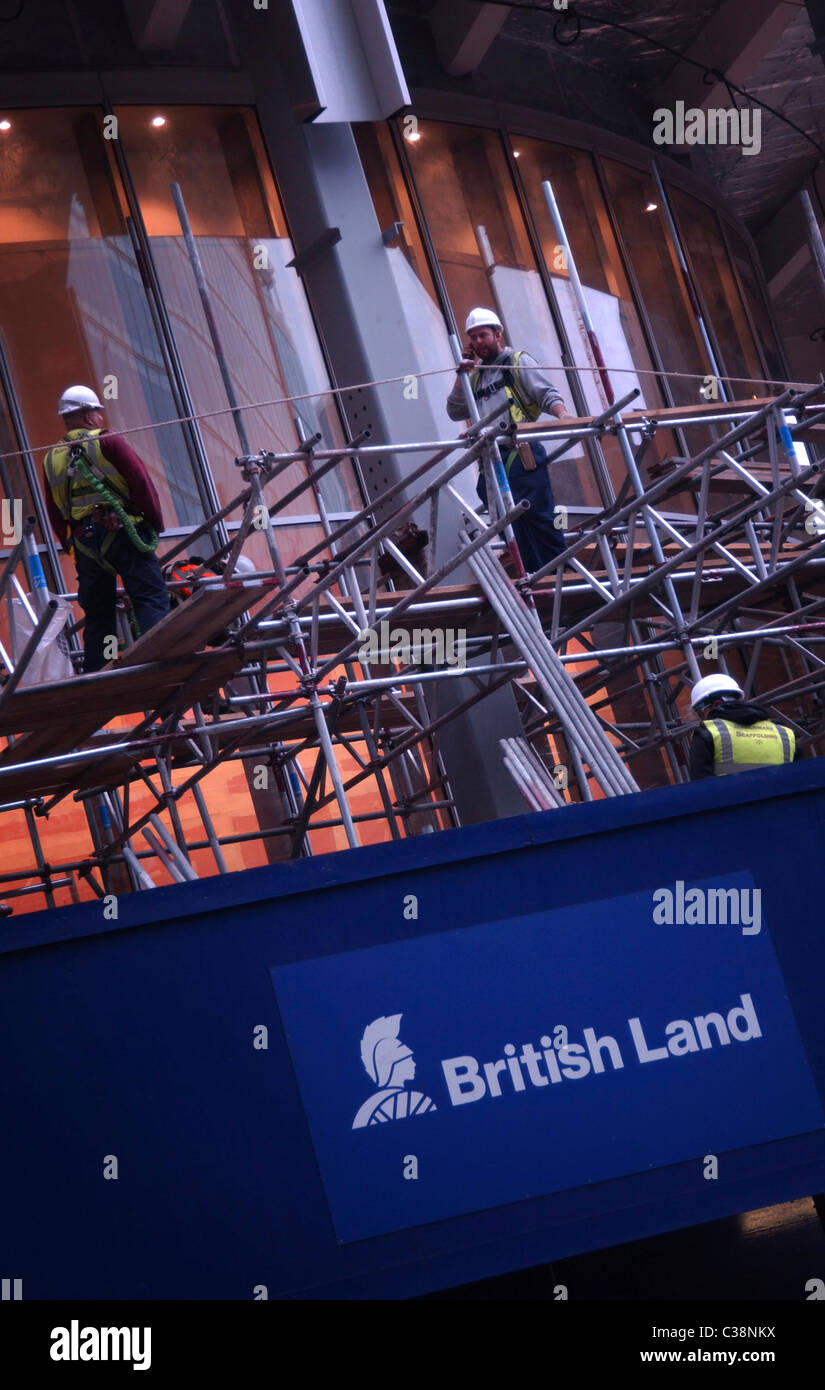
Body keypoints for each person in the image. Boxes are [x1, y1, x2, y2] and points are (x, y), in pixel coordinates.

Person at [43, 385, 170, 673]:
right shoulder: (108, 441)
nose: (100, 418)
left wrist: (69, 545)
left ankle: (98, 677)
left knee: (99, 614)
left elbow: (53, 508)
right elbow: (141, 482)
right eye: (97, 413)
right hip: (122, 532)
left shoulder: (51, 458)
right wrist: (153, 523)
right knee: (148, 596)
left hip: (84, 542)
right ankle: (158, 664)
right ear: (89, 417)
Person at [446, 307, 575, 572]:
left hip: (521, 452)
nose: (479, 342)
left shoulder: (517, 360)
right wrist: (463, 375)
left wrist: (563, 416)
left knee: (538, 517)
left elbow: (546, 394)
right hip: (491, 460)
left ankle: (561, 576)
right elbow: (454, 410)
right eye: (474, 338)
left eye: (483, 335)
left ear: (497, 334)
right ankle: (532, 575)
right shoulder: (477, 375)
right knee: (507, 524)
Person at [688, 673, 800, 780]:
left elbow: (702, 786)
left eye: (700, 713)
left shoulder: (708, 733)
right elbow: (801, 778)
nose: (702, 719)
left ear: (718, 704)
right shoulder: (785, 734)